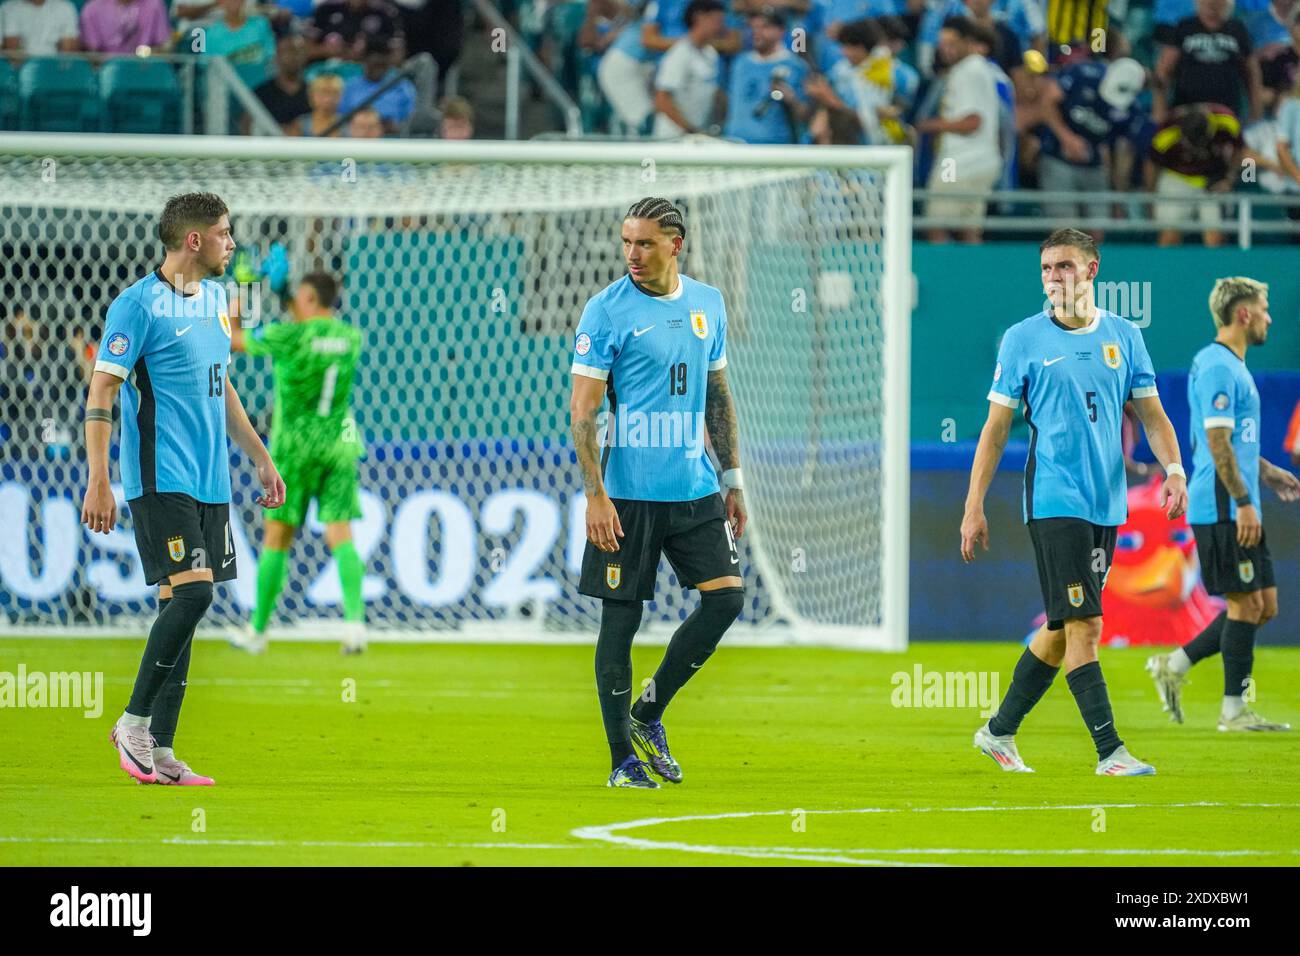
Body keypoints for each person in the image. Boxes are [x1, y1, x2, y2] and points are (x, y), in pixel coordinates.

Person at [960, 228, 1188, 777]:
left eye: (1064, 266)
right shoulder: (1022, 339)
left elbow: (1151, 416)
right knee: (1086, 624)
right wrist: (974, 505)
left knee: (1061, 630)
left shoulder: (1124, 336)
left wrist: (1175, 469)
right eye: (1045, 269)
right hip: (1054, 499)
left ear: (1091, 270)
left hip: (1106, 504)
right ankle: (1110, 752)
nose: (1053, 278)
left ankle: (998, 731)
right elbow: (995, 431)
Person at [81, 192, 285, 786]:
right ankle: (133, 722)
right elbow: (101, 394)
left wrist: (262, 458)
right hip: (159, 477)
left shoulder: (221, 299)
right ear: (193, 240)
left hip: (209, 480)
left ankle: (162, 750)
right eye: (224, 233)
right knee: (196, 597)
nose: (232, 242)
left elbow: (221, 388)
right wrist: (100, 479)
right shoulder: (136, 306)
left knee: (181, 605)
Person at [569, 197, 748, 788]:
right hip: (629, 496)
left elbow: (718, 397)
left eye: (644, 243)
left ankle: (649, 711)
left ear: (676, 244)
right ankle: (621, 758)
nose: (632, 255)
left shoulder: (708, 303)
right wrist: (596, 496)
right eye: (626, 242)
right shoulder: (606, 311)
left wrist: (733, 478)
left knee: (725, 600)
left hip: (695, 487)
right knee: (620, 623)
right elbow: (582, 412)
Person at [1147, 277, 1299, 730]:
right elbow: (1217, 444)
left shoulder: (1232, 365)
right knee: (1244, 606)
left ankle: (1173, 667)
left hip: (1239, 501)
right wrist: (1244, 502)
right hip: (1223, 507)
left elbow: (1236, 442)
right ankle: (1233, 710)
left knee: (1263, 605)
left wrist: (1267, 472)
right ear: (1244, 314)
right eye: (1265, 308)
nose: (1270, 317)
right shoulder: (1217, 366)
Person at [230, 272, 367, 655]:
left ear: (306, 297)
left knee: (278, 536)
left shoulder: (287, 337)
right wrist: (288, 295)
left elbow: (231, 337)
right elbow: (316, 331)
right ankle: (355, 624)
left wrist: (244, 291)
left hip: (294, 447)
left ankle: (257, 631)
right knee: (340, 533)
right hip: (339, 443)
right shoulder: (350, 338)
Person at [917, 16, 1002, 243]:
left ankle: (944, 277)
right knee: (970, 231)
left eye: (952, 44)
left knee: (935, 224)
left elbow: (972, 122)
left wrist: (928, 125)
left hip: (957, 162)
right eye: (943, 44)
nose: (946, 50)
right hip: (982, 159)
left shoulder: (968, 71)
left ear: (968, 41)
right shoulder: (978, 68)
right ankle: (976, 277)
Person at [1154, 0, 1261, 124]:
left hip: (1227, 114)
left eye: (1217, 2)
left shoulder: (1238, 29)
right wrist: (1159, 110)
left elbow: (1252, 74)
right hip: (1186, 113)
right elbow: (1164, 71)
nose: (1211, 5)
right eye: (1206, 1)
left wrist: (1256, 113)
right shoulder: (1184, 27)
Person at [723, 6, 809, 144]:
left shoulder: (796, 66)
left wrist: (791, 100)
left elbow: (807, 115)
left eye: (765, 27)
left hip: (775, 147)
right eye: (753, 27)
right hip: (736, 143)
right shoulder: (740, 63)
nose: (757, 32)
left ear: (781, 31)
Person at [652, 0, 727, 138]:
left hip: (698, 136)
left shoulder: (711, 53)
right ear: (698, 18)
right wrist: (689, 130)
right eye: (716, 20)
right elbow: (662, 99)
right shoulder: (680, 53)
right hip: (673, 137)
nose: (720, 26)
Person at [339, 36, 417, 133]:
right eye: (375, 65)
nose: (379, 70)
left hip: (394, 138)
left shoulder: (402, 86)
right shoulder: (350, 87)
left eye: (383, 66)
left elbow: (412, 119)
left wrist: (397, 127)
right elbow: (341, 118)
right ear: (365, 62)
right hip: (357, 138)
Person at [255, 35, 312, 134]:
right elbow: (247, 123)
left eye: (299, 52)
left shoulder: (313, 92)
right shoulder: (262, 92)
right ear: (276, 57)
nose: (294, 56)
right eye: (289, 51)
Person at [79, 0, 171, 54]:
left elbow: (165, 48)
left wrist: (142, 54)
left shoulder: (155, 4)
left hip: (146, 68)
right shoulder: (92, 9)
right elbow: (92, 55)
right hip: (106, 72)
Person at [0, 0, 80, 53]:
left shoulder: (65, 7)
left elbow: (68, 50)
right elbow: (12, 50)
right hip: (21, 68)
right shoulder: (9, 9)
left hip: (56, 67)